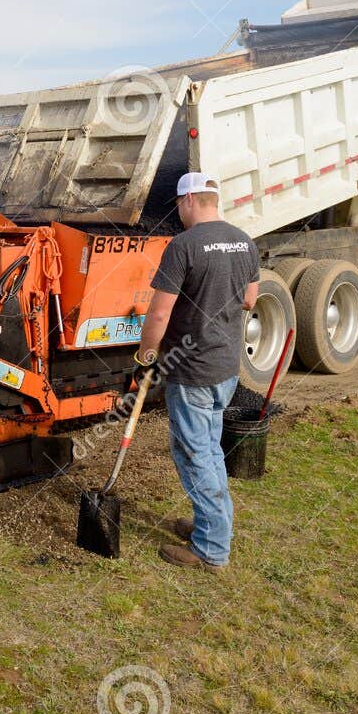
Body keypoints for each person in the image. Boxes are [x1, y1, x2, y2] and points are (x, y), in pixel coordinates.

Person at [135, 172, 260, 571]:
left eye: (178, 206)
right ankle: (211, 525)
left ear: (188, 201)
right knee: (208, 448)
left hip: (192, 369)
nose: (179, 213)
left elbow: (158, 312)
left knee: (195, 455)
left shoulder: (184, 245)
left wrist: (145, 356)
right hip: (225, 365)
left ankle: (210, 550)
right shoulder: (244, 240)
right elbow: (249, 300)